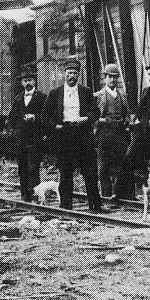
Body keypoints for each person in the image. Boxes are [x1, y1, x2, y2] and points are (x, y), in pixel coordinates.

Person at [43, 57, 103, 212]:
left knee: (89, 171)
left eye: (75, 73)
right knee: (66, 172)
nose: (72, 77)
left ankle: (95, 205)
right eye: (69, 73)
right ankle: (66, 207)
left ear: (78, 75)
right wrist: (55, 126)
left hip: (83, 134)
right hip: (64, 135)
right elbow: (45, 116)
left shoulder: (86, 91)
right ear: (64, 74)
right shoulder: (55, 93)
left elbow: (96, 111)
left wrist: (86, 118)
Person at [116, 61, 150, 200]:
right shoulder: (146, 91)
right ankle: (123, 194)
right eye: (149, 74)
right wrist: (135, 121)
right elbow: (139, 111)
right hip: (143, 134)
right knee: (129, 157)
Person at [7, 64, 47, 202]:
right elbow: (12, 117)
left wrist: (35, 117)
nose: (28, 83)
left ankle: (35, 195)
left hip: (35, 138)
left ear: (34, 81)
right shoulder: (18, 98)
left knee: (33, 168)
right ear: (21, 83)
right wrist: (11, 129)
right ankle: (25, 195)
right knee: (22, 167)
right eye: (25, 80)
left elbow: (47, 116)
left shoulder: (42, 97)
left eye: (30, 80)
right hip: (21, 139)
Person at [94, 62, 132, 200]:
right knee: (103, 166)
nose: (112, 80)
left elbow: (127, 113)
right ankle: (105, 195)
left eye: (115, 77)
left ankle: (119, 194)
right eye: (110, 77)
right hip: (104, 134)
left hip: (120, 134)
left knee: (121, 164)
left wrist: (127, 123)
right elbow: (92, 117)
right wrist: (103, 121)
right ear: (105, 78)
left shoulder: (122, 95)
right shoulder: (98, 96)